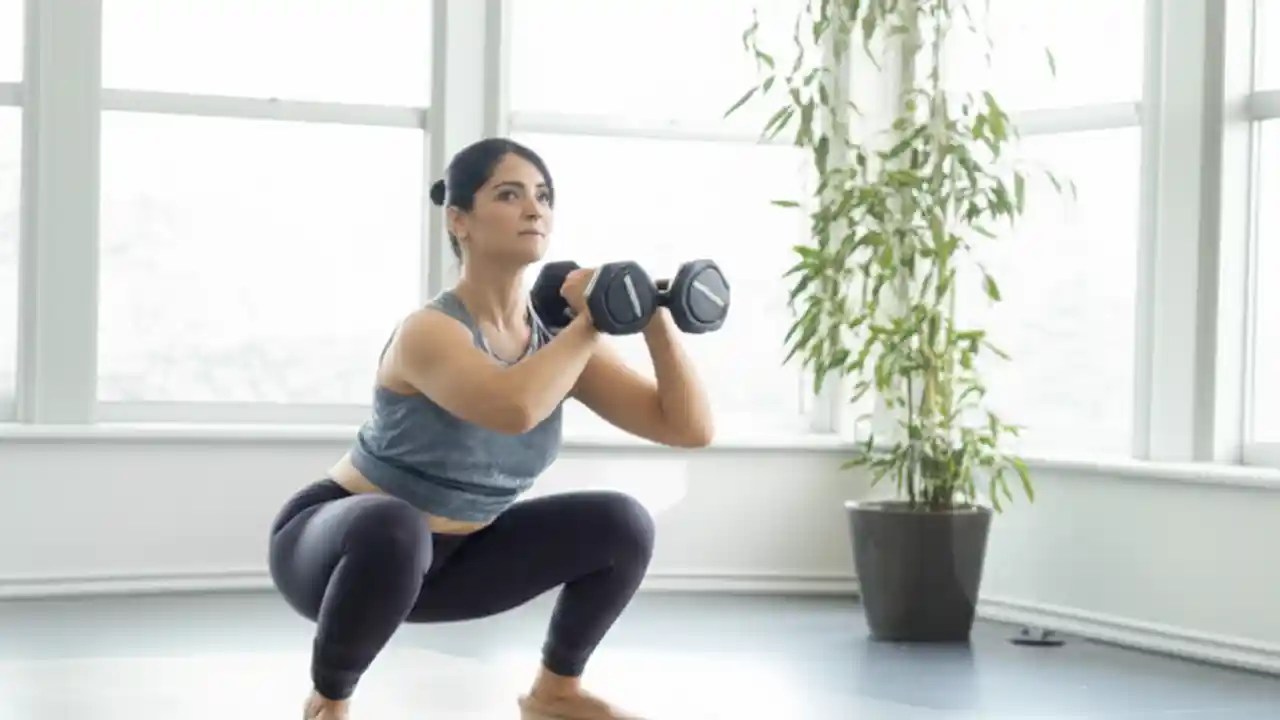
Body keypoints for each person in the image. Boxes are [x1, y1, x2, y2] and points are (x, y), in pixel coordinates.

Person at [267, 137, 715, 720]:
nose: (535, 209)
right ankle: (329, 701)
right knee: (394, 525)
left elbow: (687, 428)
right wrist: (595, 319)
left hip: (459, 561)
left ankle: (556, 693)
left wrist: (651, 313)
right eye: (510, 194)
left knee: (620, 522)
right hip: (342, 558)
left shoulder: (555, 342)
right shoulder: (430, 332)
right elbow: (514, 408)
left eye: (544, 197)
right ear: (460, 221)